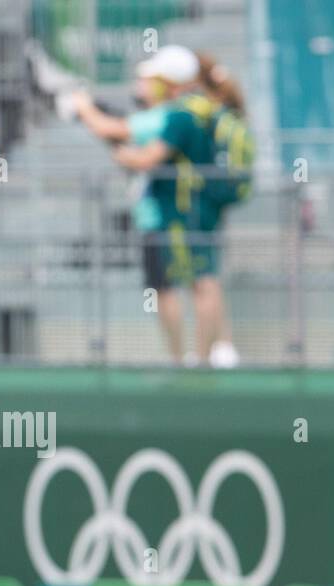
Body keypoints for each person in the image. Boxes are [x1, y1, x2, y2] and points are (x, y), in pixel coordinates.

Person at [72, 46, 239, 367]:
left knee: (186, 283)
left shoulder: (179, 114)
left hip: (174, 215)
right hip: (197, 212)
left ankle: (191, 361)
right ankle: (211, 354)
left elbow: (144, 156)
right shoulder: (202, 109)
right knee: (203, 278)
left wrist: (118, 150)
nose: (145, 86)